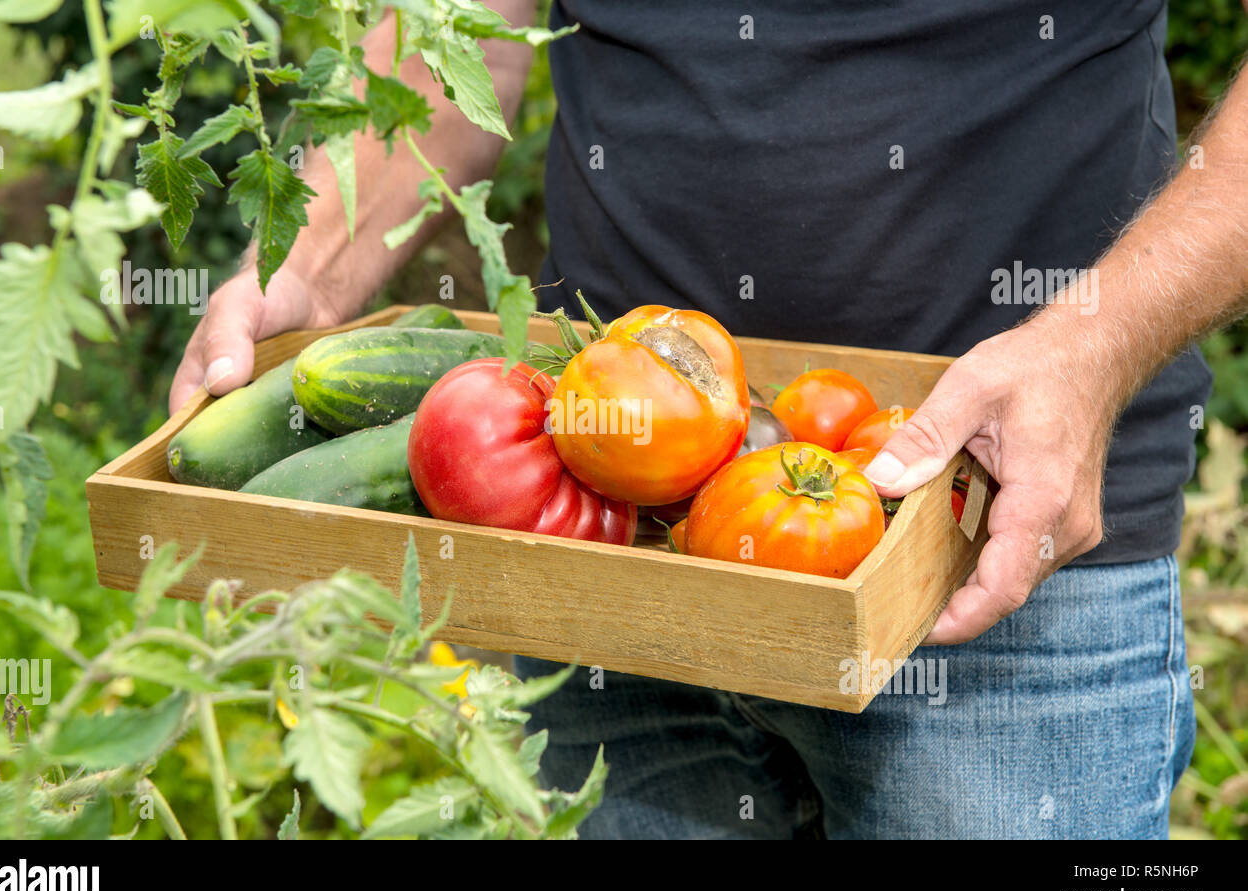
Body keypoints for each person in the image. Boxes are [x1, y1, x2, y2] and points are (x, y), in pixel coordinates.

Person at [171, 1, 1240, 838]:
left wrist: (1090, 352)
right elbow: (457, 34)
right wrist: (306, 266)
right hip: (598, 559)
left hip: (994, 541)